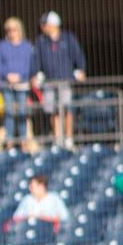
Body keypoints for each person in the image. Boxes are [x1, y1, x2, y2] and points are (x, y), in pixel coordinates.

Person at [30, 11, 86, 148]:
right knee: (53, 110)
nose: (43, 27)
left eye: (46, 24)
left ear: (54, 25)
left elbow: (78, 55)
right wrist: (34, 75)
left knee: (66, 108)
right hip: (49, 81)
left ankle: (69, 138)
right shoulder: (41, 42)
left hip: (65, 80)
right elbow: (36, 60)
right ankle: (58, 138)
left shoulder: (68, 39)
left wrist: (81, 70)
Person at [0, 17, 35, 147]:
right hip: (6, 84)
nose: (12, 33)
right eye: (9, 30)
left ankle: (24, 140)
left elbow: (31, 64)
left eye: (14, 30)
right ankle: (9, 140)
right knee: (9, 111)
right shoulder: (2, 45)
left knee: (23, 111)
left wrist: (21, 76)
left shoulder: (28, 46)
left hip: (22, 84)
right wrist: (7, 75)